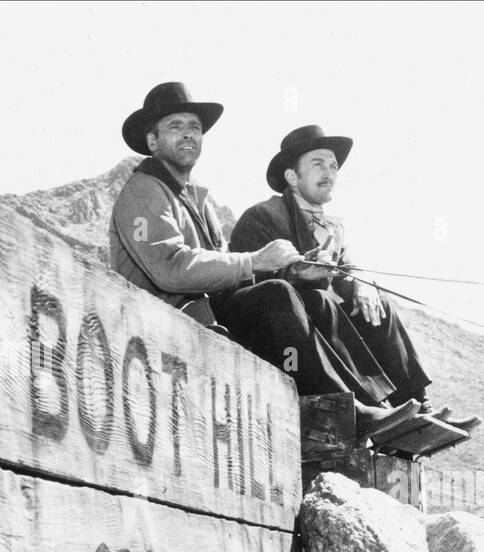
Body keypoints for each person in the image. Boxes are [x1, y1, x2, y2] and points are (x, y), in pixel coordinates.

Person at [108, 83, 419, 440]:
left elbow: (222, 270)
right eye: (175, 127)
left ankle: (371, 405)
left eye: (194, 127)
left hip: (204, 318)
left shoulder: (197, 200)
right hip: (164, 325)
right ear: (151, 142)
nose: (188, 135)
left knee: (302, 297)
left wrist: (296, 272)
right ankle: (344, 410)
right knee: (275, 296)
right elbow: (169, 268)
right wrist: (255, 262)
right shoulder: (144, 188)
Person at [229, 125, 478, 433]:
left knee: (376, 303)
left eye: (333, 166)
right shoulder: (263, 216)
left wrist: (361, 281)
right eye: (318, 164)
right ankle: (359, 406)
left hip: (317, 321)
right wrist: (297, 274)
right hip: (274, 336)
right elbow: (252, 287)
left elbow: (348, 268)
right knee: (321, 300)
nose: (329, 173)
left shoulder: (333, 229)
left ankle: (417, 406)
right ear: (292, 177)